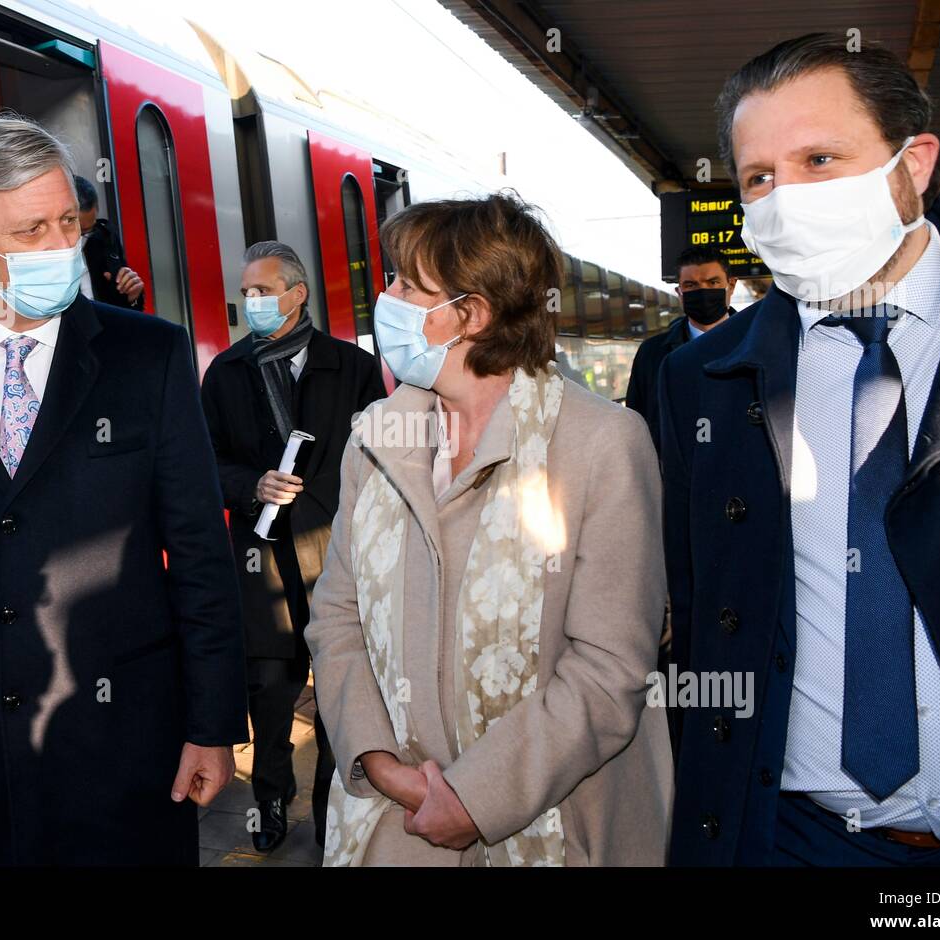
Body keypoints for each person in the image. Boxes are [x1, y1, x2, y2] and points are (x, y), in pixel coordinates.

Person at [659, 33, 940, 866]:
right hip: (795, 839)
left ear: (913, 163)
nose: (783, 198)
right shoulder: (704, 377)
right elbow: (702, 614)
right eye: (758, 177)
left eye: (820, 159)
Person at [0, 115, 248, 865]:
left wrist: (214, 720)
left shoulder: (147, 355)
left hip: (123, 746)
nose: (62, 247)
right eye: (31, 231)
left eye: (69, 222)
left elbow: (198, 549)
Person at [307, 192, 672, 866]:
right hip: (396, 826)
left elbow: (610, 667)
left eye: (407, 285)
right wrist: (377, 759)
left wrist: (475, 797)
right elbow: (337, 615)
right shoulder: (376, 438)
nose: (385, 297)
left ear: (468, 314)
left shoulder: (602, 445)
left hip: (555, 827)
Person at [200, 241, 386, 852]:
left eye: (262, 291)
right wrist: (251, 484)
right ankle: (270, 802)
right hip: (262, 561)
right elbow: (208, 463)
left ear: (297, 294)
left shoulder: (350, 367)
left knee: (338, 687)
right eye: (246, 292)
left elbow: (380, 453)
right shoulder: (227, 373)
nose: (251, 302)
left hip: (336, 553)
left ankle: (334, 808)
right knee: (271, 694)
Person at [624, 247, 736, 453]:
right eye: (691, 285)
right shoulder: (652, 354)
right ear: (679, 292)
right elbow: (635, 422)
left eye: (713, 282)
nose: (702, 291)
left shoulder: (759, 345)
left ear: (731, 285)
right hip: (673, 478)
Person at [74, 174, 145, 310]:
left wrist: (133, 296)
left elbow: (125, 307)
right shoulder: (44, 254)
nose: (84, 238)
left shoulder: (105, 237)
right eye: (80, 232)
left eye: (90, 230)